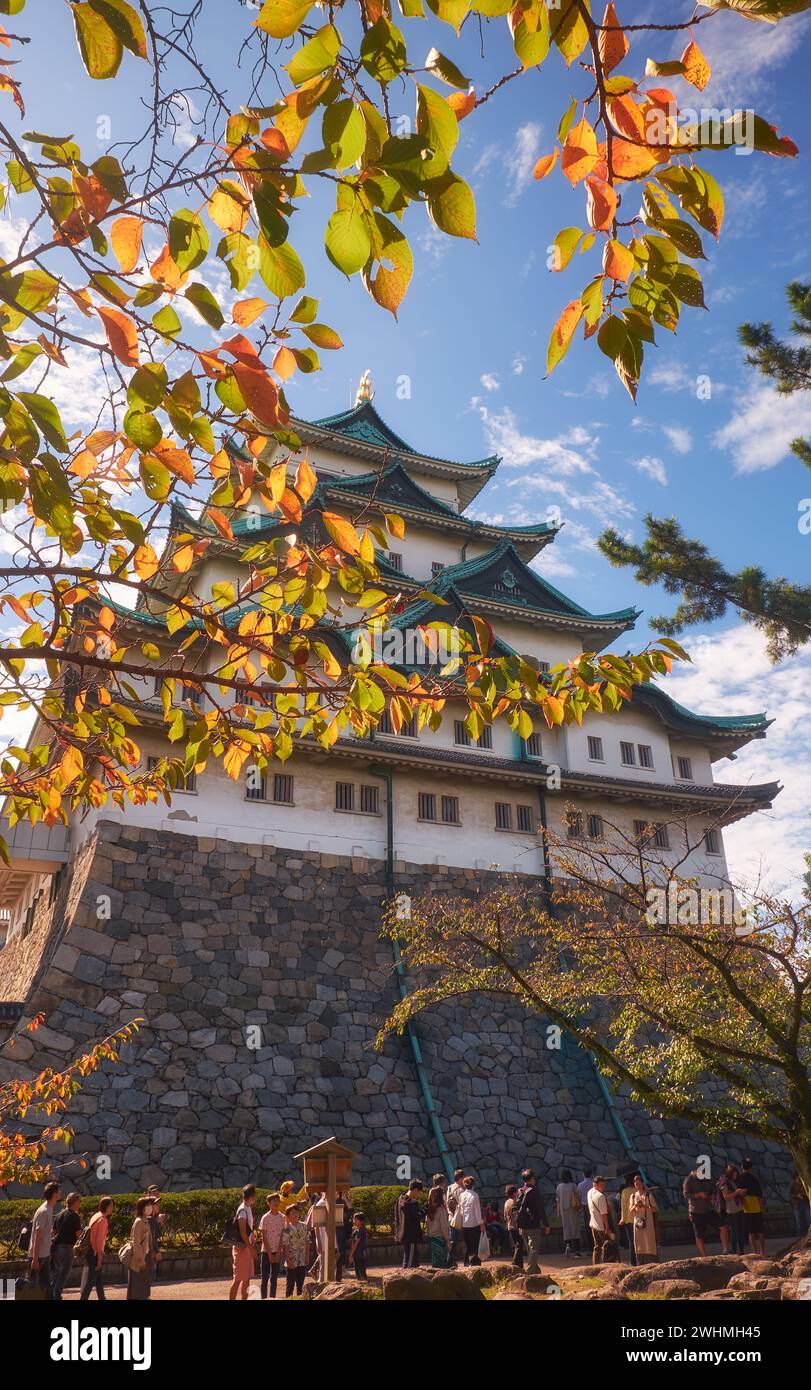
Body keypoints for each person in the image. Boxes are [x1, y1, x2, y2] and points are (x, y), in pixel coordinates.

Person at [28, 1180, 60, 1297]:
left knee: (46, 1287)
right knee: (30, 1286)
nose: (60, 1193)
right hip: (38, 1256)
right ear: (54, 1194)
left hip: (44, 1255)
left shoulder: (49, 1208)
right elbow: (38, 1234)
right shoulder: (44, 1210)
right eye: (58, 1191)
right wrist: (35, 1258)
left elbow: (44, 1234)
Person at [515, 1169, 550, 1275]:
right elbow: (540, 1209)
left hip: (522, 1225)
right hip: (533, 1224)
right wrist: (546, 1224)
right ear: (532, 1179)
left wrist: (519, 1224)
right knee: (534, 1249)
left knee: (530, 1250)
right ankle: (529, 1272)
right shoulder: (533, 1191)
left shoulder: (520, 1190)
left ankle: (536, 1271)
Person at [79, 1197, 113, 1301]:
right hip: (94, 1253)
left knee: (98, 1280)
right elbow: (99, 1243)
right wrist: (99, 1259)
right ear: (106, 1207)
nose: (112, 1208)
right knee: (91, 1282)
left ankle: (102, 1298)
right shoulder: (103, 1220)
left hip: (90, 1251)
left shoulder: (96, 1216)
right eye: (111, 1206)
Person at [50, 1192, 82, 1300]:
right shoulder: (74, 1216)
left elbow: (53, 1232)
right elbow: (78, 1235)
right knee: (63, 1275)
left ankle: (50, 1294)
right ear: (75, 1202)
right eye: (79, 1202)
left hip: (56, 1248)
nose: (80, 1205)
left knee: (57, 1274)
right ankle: (56, 1296)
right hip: (67, 1249)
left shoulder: (59, 1215)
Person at [229, 1183, 256, 1300]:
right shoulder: (242, 1211)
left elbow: (247, 1230)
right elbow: (243, 1232)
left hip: (246, 1247)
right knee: (238, 1279)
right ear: (252, 1196)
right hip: (242, 1248)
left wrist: (252, 1237)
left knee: (246, 1278)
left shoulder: (247, 1208)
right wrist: (251, 1248)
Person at [683, 1163, 715, 1256]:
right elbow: (686, 1194)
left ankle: (726, 1249)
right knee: (699, 1234)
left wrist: (710, 1196)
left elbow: (710, 1189)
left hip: (707, 1209)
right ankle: (703, 1255)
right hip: (695, 1210)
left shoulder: (705, 1179)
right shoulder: (689, 1180)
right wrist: (698, 1195)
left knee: (722, 1225)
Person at [126, 1196, 154, 1301]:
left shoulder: (145, 1221)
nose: (150, 1207)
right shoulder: (138, 1222)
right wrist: (140, 1260)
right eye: (148, 1205)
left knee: (142, 1289)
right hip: (138, 1261)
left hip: (145, 1258)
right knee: (137, 1291)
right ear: (142, 1208)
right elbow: (136, 1243)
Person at [259, 1192, 285, 1299]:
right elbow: (264, 1236)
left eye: (277, 1200)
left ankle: (272, 1297)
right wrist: (269, 1253)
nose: (276, 1203)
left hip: (277, 1251)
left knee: (274, 1278)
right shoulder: (265, 1217)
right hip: (266, 1251)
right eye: (273, 1201)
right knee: (264, 1277)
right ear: (268, 1203)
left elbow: (282, 1235)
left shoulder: (282, 1217)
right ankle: (264, 1297)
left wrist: (279, 1252)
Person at [738, 1158, 766, 1256]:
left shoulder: (740, 1178)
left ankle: (754, 1252)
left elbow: (739, 1194)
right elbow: (760, 1194)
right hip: (756, 1206)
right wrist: (761, 1206)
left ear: (742, 1166)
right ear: (751, 1167)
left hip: (746, 1207)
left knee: (751, 1232)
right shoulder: (754, 1179)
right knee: (760, 1231)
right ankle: (762, 1251)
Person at [629, 1174, 658, 1264]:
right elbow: (630, 1210)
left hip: (647, 1222)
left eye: (639, 1184)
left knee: (648, 1241)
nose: (637, 1186)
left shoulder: (648, 1195)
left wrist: (645, 1206)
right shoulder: (633, 1196)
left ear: (642, 1184)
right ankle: (640, 1261)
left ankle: (652, 1260)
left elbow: (655, 1209)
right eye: (636, 1184)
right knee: (639, 1242)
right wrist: (636, 1205)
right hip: (637, 1223)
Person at [457, 1176, 486, 1266]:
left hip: (464, 1223)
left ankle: (466, 1263)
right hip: (474, 1224)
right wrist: (481, 1224)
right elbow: (477, 1211)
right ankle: (475, 1264)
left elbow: (461, 1210)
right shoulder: (475, 1195)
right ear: (473, 1185)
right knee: (475, 1245)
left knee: (468, 1245)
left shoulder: (461, 1195)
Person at [395, 1180, 425, 1268]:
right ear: (415, 1190)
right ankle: (405, 1279)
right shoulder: (411, 1203)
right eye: (419, 1192)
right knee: (409, 1260)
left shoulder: (401, 1199)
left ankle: (410, 1278)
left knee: (412, 1257)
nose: (419, 1195)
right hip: (411, 1235)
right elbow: (416, 1217)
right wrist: (424, 1210)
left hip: (403, 1233)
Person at [718, 1164, 746, 1256]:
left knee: (741, 1230)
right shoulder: (724, 1183)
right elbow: (726, 1197)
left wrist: (740, 1193)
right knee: (734, 1231)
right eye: (733, 1174)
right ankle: (734, 1250)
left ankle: (741, 1250)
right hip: (731, 1210)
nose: (735, 1176)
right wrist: (736, 1192)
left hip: (739, 1208)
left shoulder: (734, 1182)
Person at [282, 1205, 309, 1297]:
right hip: (291, 1260)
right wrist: (288, 1260)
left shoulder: (304, 1226)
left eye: (296, 1212)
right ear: (288, 1215)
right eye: (292, 1213)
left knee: (300, 1286)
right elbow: (285, 1245)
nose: (295, 1214)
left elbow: (307, 1241)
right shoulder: (286, 1229)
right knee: (290, 1286)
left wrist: (307, 1256)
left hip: (302, 1259)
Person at [555, 1168, 582, 1260]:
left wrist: (558, 1212)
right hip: (573, 1210)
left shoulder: (559, 1187)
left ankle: (568, 1245)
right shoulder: (573, 1185)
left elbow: (558, 1201)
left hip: (563, 1211)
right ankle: (577, 1252)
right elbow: (578, 1195)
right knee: (575, 1229)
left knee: (566, 1229)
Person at [587, 1175, 612, 1265]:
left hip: (593, 1224)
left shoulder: (590, 1192)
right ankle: (607, 1264)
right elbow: (603, 1214)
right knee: (608, 1245)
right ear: (595, 1185)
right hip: (601, 1226)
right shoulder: (600, 1196)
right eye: (601, 1185)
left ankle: (595, 1265)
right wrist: (607, 1227)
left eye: (603, 1185)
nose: (603, 1187)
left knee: (597, 1246)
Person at [426, 1186, 452, 1268]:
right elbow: (444, 1227)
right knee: (442, 1265)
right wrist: (448, 1240)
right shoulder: (442, 1210)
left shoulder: (429, 1210)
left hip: (432, 1239)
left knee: (435, 1265)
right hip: (440, 1239)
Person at [445, 1168, 465, 1266]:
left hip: (450, 1218)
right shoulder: (461, 1190)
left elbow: (446, 1203)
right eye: (464, 1178)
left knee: (452, 1241)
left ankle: (450, 1261)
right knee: (466, 1240)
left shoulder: (449, 1188)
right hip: (459, 1219)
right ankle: (467, 1261)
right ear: (460, 1178)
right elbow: (462, 1205)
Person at [145, 1185, 164, 1282]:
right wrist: (156, 1251)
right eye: (154, 1192)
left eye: (157, 1192)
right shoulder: (147, 1210)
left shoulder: (154, 1210)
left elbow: (155, 1232)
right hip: (148, 1249)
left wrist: (159, 1222)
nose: (156, 1194)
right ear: (148, 1194)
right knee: (148, 1278)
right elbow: (150, 1235)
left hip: (151, 1246)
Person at [504, 1184, 523, 1268]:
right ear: (515, 1193)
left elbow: (505, 1216)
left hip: (509, 1225)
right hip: (515, 1226)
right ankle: (515, 1263)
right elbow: (517, 1215)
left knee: (517, 1245)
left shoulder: (507, 1202)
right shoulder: (514, 1202)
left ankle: (519, 1264)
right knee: (519, 1245)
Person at [789, 1170, 810, 1239]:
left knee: (808, 1220)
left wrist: (804, 1195)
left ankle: (808, 1236)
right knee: (799, 1223)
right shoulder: (793, 1184)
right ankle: (799, 1238)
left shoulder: (804, 1183)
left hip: (805, 1203)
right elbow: (790, 1195)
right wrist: (797, 1196)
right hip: (797, 1204)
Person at [577, 1168, 594, 1246]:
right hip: (593, 1206)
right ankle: (596, 1244)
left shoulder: (580, 1185)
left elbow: (579, 1196)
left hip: (585, 1206)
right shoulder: (593, 1184)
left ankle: (590, 1246)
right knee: (595, 1225)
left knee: (587, 1226)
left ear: (583, 1174)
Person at [350, 1211, 368, 1279]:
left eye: (356, 1219)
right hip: (356, 1254)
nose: (354, 1221)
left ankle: (363, 1281)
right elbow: (353, 1242)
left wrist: (351, 1254)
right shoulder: (355, 1230)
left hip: (360, 1254)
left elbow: (356, 1243)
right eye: (354, 1219)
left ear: (361, 1221)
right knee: (357, 1270)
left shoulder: (361, 1230)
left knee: (361, 1270)